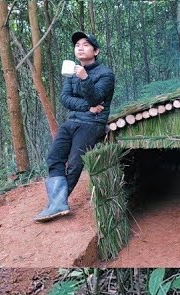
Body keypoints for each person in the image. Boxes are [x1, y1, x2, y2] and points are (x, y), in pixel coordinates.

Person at [34, 31, 115, 222]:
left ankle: (57, 203)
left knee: (75, 163)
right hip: (72, 121)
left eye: (85, 44)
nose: (79, 47)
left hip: (92, 124)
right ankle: (58, 203)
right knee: (54, 158)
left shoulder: (106, 74)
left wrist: (85, 78)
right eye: (77, 44)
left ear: (96, 51)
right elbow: (65, 99)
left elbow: (98, 98)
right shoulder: (72, 73)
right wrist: (87, 106)